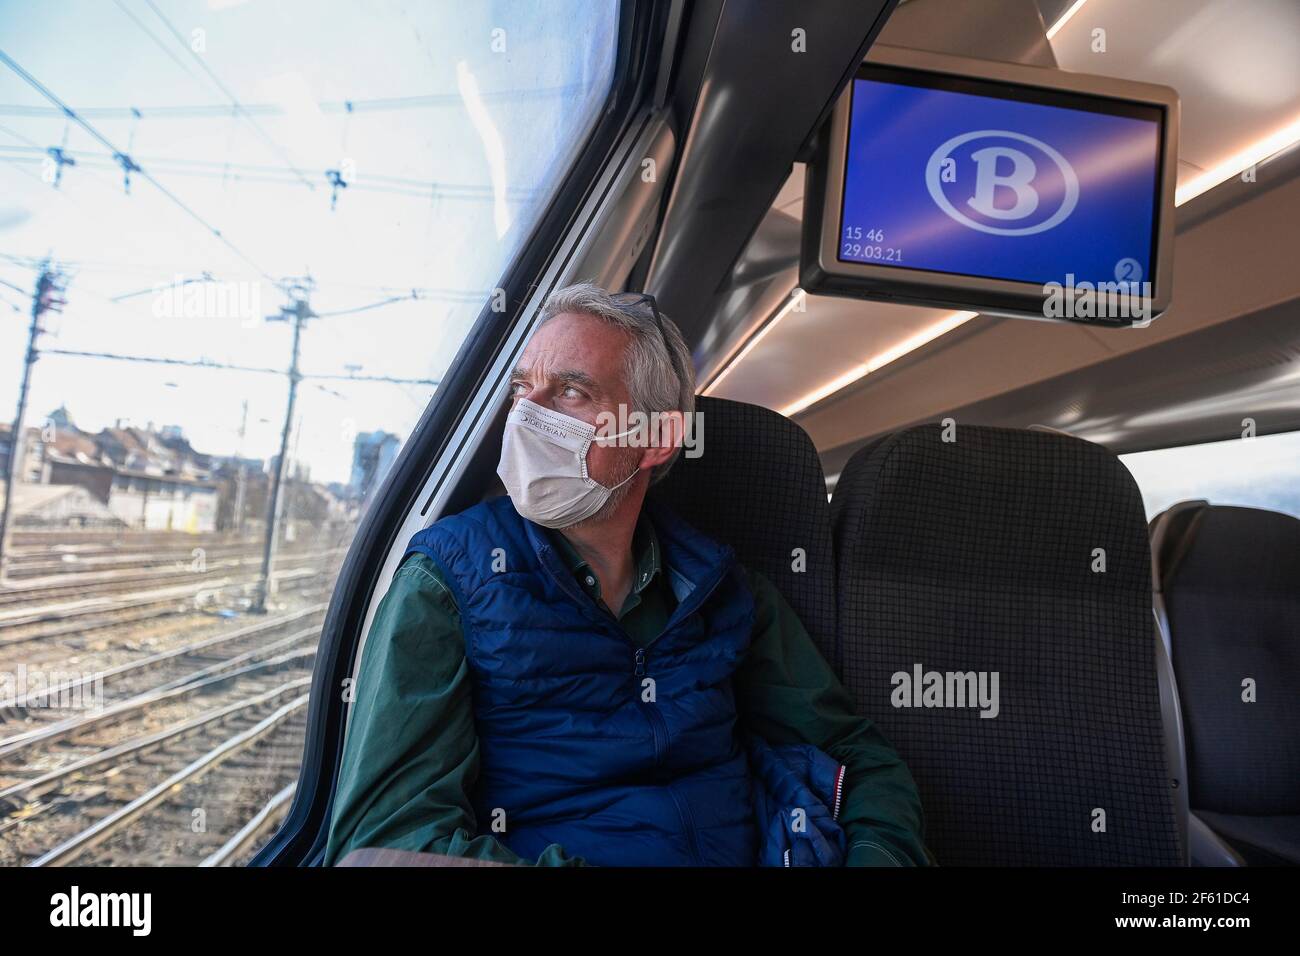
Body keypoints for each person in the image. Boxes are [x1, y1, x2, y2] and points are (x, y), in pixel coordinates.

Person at [325, 282, 928, 866]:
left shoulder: (726, 593)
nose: (526, 415)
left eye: (571, 392)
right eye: (522, 388)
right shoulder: (446, 581)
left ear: (658, 439)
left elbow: (855, 756)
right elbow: (389, 842)